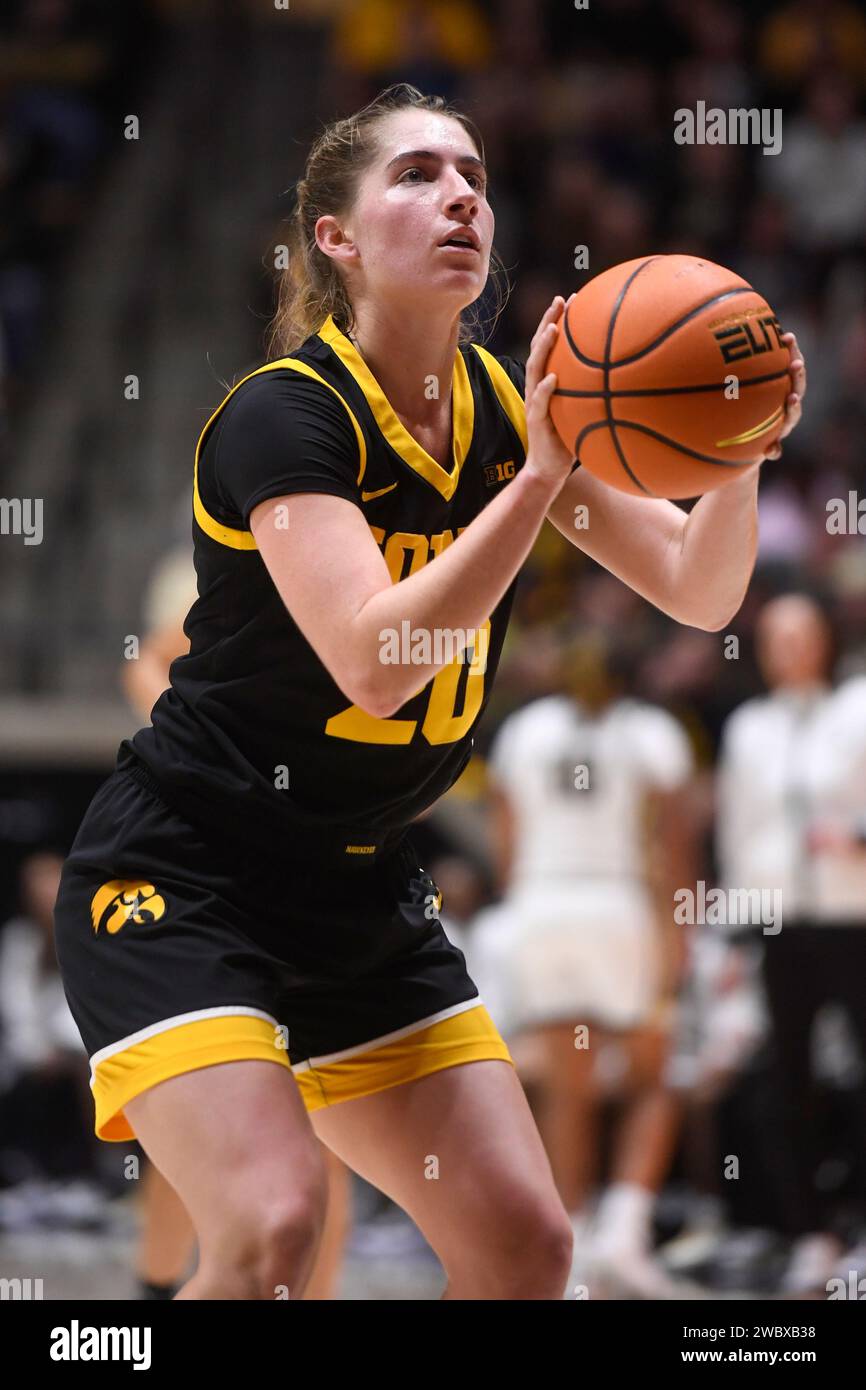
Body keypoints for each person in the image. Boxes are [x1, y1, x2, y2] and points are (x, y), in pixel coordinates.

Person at [53, 82, 805, 1301]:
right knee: (273, 1228)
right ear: (334, 239)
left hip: (357, 889)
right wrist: (537, 480)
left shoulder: (507, 411)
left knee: (526, 1248)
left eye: (474, 176)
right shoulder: (282, 415)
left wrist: (733, 448)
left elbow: (696, 591)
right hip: (184, 874)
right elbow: (375, 658)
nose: (461, 193)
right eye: (414, 174)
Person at [486, 632, 696, 1297]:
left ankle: (570, 1245)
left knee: (565, 1089)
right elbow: (674, 849)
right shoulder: (655, 734)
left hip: (541, 905)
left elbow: (506, 844)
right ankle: (625, 1232)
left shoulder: (522, 731)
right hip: (618, 904)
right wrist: (678, 933)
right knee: (656, 1073)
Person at [716, 593, 866, 1294]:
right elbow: (737, 831)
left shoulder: (857, 707)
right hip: (780, 921)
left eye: (802, 633)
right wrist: (733, 924)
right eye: (776, 636)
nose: (789, 647)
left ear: (826, 639)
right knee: (789, 1080)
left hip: (854, 914)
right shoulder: (749, 728)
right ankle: (813, 1233)